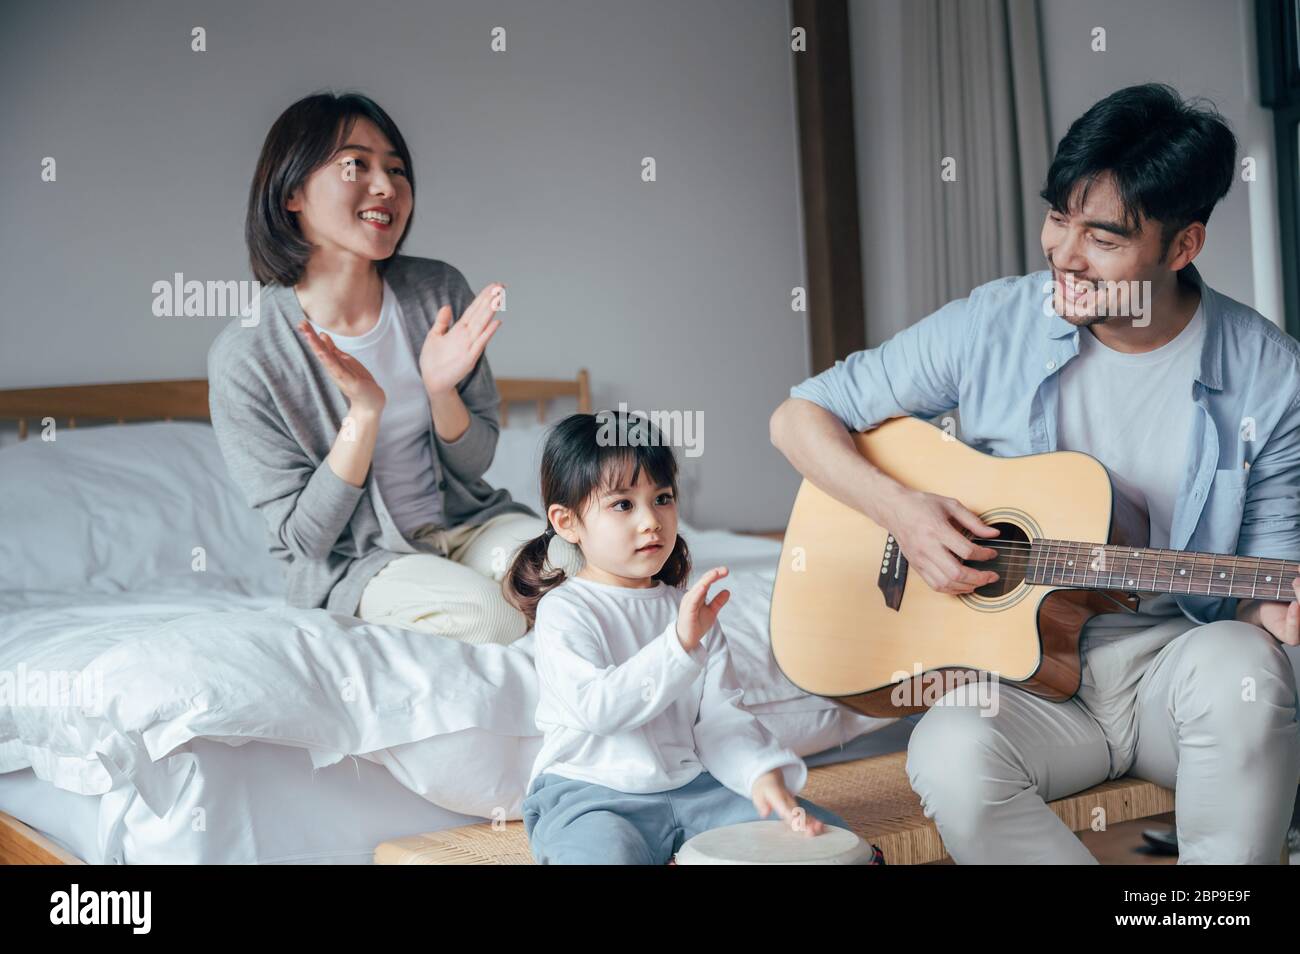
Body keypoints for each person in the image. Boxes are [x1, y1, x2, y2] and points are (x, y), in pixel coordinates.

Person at [771, 83, 1300, 864]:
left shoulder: (1272, 378)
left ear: (1183, 246)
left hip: (1171, 675)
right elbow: (800, 416)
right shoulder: (995, 322)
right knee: (949, 750)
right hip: (1021, 685)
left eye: (1104, 238)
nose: (1063, 253)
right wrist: (903, 512)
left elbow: (1265, 591)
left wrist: (1277, 621)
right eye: (1058, 217)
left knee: (1245, 668)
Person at [208, 91, 580, 644]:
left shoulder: (437, 291)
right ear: (291, 193)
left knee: (581, 572)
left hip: (470, 526)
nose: (386, 186)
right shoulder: (249, 356)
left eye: (397, 169)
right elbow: (307, 539)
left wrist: (440, 390)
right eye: (355, 165)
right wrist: (363, 414)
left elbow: (477, 461)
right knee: (490, 617)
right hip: (364, 562)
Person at [505, 411, 882, 864]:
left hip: (694, 789)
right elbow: (599, 708)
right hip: (592, 794)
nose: (651, 521)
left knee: (832, 846)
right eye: (623, 504)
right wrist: (678, 646)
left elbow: (720, 719)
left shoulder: (687, 610)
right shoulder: (566, 610)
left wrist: (761, 778)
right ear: (567, 522)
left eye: (662, 498)